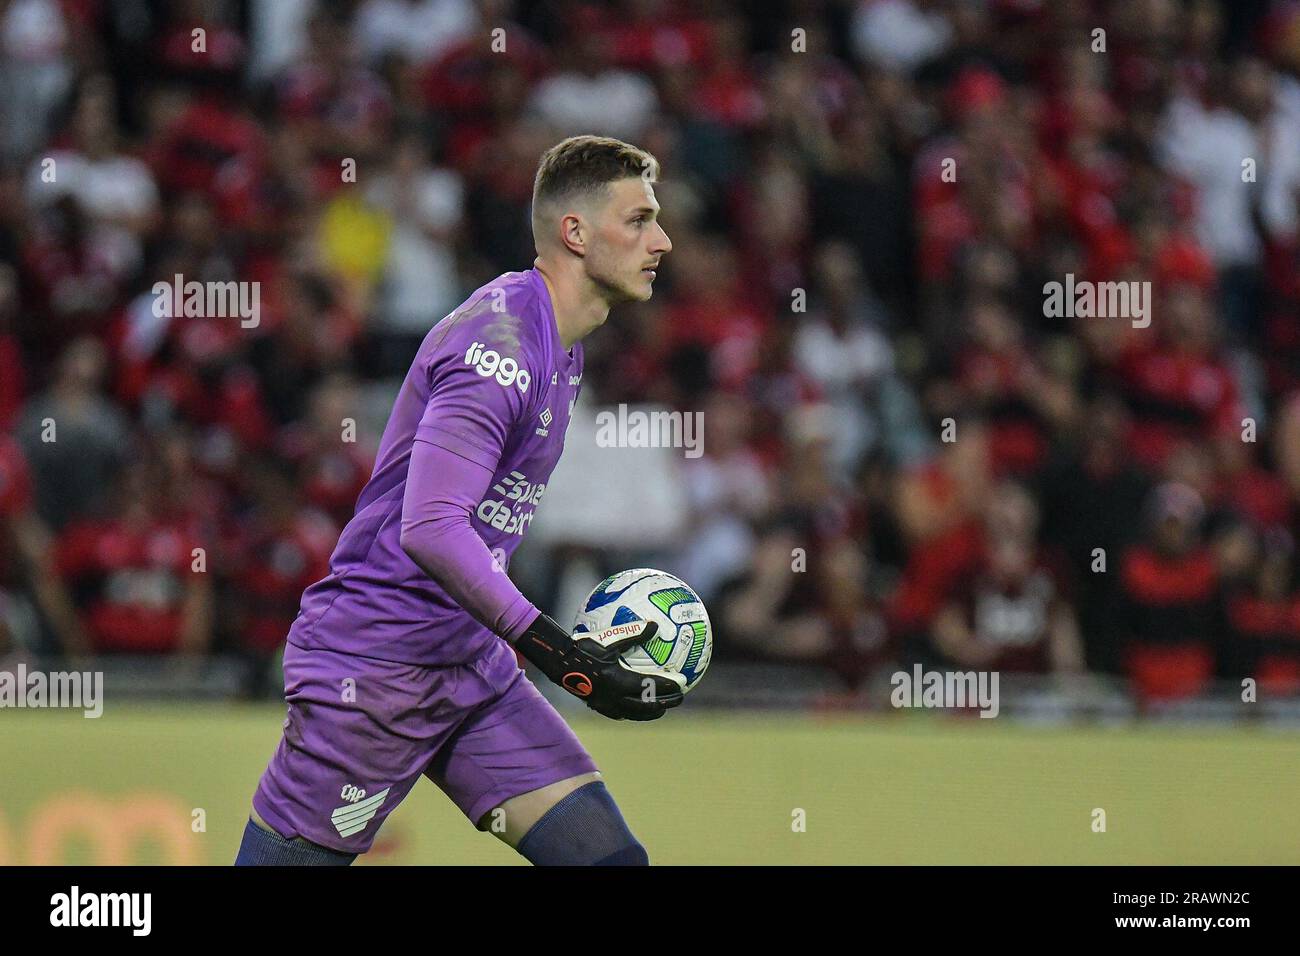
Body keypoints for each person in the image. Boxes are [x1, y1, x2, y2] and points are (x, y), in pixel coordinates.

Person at [235, 135, 680, 866]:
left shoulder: (563, 340)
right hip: (376, 673)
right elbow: (433, 529)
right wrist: (558, 652)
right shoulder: (499, 346)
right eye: (638, 220)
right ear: (575, 232)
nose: (661, 240)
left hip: (470, 668)